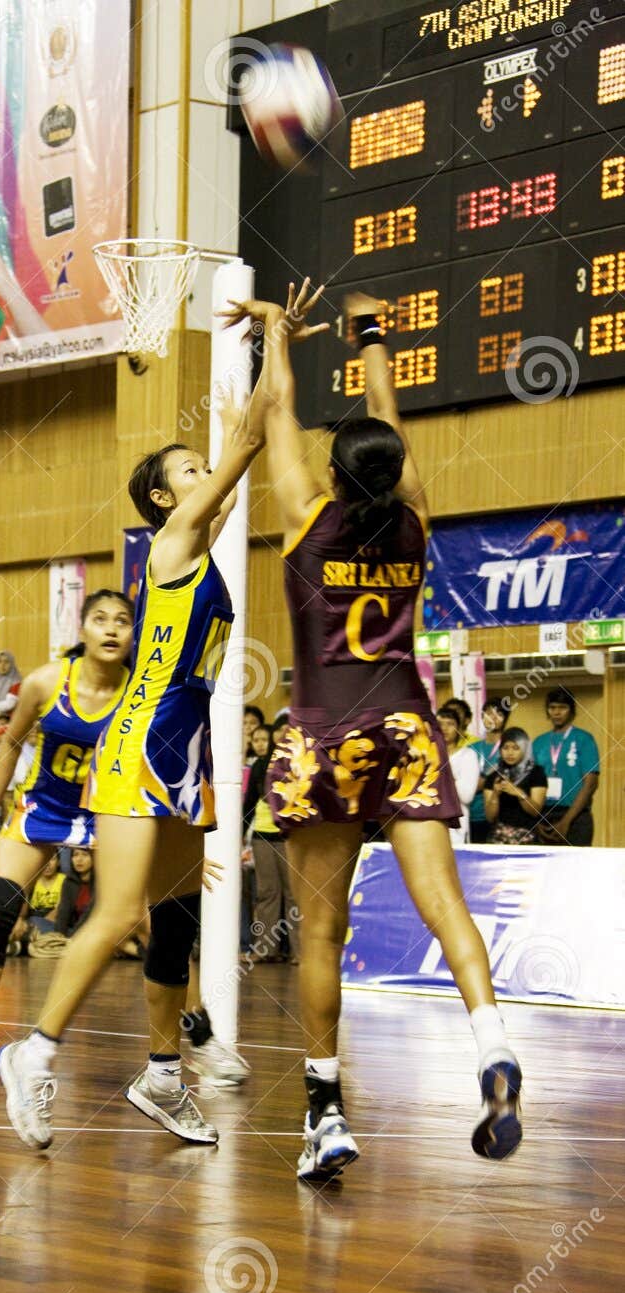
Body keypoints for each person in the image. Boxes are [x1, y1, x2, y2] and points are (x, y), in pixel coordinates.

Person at [0, 287, 323, 1152]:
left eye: (193, 465)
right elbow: (254, 436)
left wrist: (267, 356)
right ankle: (31, 1053)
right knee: (115, 914)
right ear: (159, 498)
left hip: (184, 750)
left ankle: (163, 1074)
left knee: (176, 915)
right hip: (141, 741)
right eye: (183, 467)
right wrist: (270, 340)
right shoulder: (174, 543)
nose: (196, 472)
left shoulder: (199, 552)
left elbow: (249, 438)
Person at [243, 281, 522, 1174]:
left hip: (323, 736)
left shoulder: (304, 520)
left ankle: (324, 1112)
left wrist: (276, 335)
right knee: (447, 909)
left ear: (333, 477)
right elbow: (385, 418)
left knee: (321, 934)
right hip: (403, 728)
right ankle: (490, 1044)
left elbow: (278, 408)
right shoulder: (415, 521)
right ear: (392, 472)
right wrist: (371, 336)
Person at [0, 591, 134, 1078]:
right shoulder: (46, 682)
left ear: (133, 634)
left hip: (109, 816)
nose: (110, 629)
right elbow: (8, 748)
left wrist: (180, 844)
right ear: (81, 630)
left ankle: (200, 1038)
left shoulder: (141, 692)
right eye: (99, 619)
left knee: (149, 921)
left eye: (122, 621)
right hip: (44, 809)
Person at [246, 715, 299, 962]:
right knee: (268, 893)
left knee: (293, 894)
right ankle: (265, 950)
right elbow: (248, 803)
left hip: (291, 837)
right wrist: (237, 835)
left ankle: (301, 952)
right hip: (262, 835)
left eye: (284, 730)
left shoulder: (300, 762)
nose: (280, 735)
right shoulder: (260, 765)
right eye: (278, 730)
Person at [533, 687, 600, 846]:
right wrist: (536, 820)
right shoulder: (538, 742)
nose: (556, 712)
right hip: (543, 816)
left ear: (571, 710)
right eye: (552, 708)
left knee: (575, 869)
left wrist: (566, 821)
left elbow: (590, 784)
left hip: (576, 816)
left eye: (562, 707)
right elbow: (531, 784)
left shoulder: (584, 739)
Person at [484, 729, 547, 843]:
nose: (510, 753)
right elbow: (490, 817)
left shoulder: (536, 773)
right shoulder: (493, 775)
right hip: (498, 838)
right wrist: (495, 795)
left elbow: (536, 812)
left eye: (516, 748)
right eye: (506, 748)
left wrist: (519, 794)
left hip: (528, 837)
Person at [436, 701, 481, 845]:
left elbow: (466, 796)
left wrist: (445, 773)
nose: (444, 728)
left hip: (456, 827)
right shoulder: (429, 755)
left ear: (458, 728)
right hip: (431, 822)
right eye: (440, 724)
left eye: (450, 724)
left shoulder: (468, 755)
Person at [469, 697, 511, 844]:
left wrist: (474, 785)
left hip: (498, 817)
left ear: (505, 718)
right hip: (470, 816)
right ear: (481, 716)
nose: (493, 717)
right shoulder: (471, 749)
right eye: (488, 713)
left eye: (498, 713)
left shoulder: (511, 749)